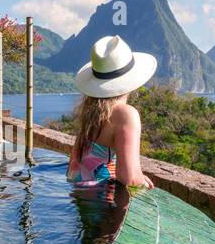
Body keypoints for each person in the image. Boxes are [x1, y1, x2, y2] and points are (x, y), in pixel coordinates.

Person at [67, 35, 157, 191]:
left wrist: (137, 176)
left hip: (80, 198)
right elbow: (129, 178)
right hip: (104, 202)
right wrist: (139, 180)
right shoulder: (125, 114)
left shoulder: (90, 112)